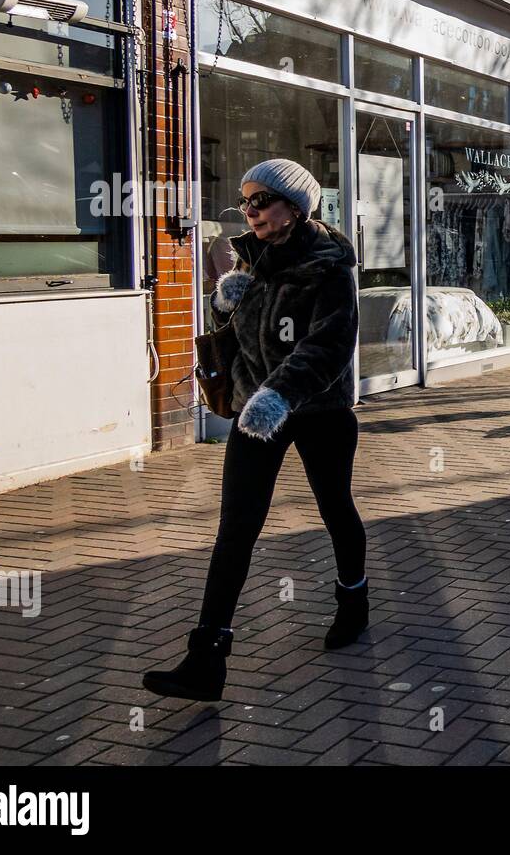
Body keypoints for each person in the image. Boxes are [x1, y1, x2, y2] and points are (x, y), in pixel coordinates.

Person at [143, 158, 366, 702]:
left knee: (335, 506)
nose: (251, 212)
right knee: (236, 529)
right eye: (245, 202)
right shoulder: (254, 263)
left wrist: (277, 394)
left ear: (296, 206)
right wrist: (232, 304)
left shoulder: (330, 268)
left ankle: (353, 600)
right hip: (254, 412)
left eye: (261, 201)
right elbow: (250, 340)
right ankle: (206, 658)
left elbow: (329, 347)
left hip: (318, 412)